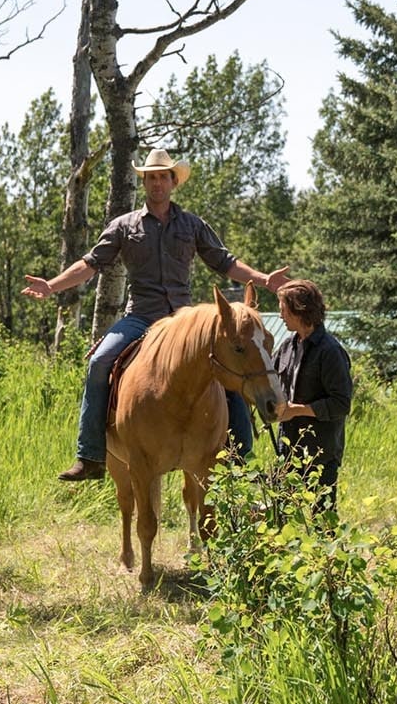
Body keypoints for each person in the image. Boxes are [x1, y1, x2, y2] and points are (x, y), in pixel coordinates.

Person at [23, 148, 289, 481]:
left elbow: (225, 262)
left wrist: (263, 279)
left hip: (183, 322)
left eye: (163, 177)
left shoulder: (192, 225)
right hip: (141, 316)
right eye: (151, 177)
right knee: (100, 362)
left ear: (173, 182)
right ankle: (90, 455)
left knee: (230, 367)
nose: (157, 183)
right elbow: (90, 264)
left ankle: (241, 459)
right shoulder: (124, 226)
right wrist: (51, 285)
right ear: (144, 182)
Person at [269, 279, 354, 515]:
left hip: (321, 453)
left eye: (283, 309)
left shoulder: (330, 351)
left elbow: (341, 404)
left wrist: (297, 410)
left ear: (299, 309)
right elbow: (269, 384)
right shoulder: (286, 347)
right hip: (287, 451)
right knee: (281, 517)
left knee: (322, 520)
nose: (280, 316)